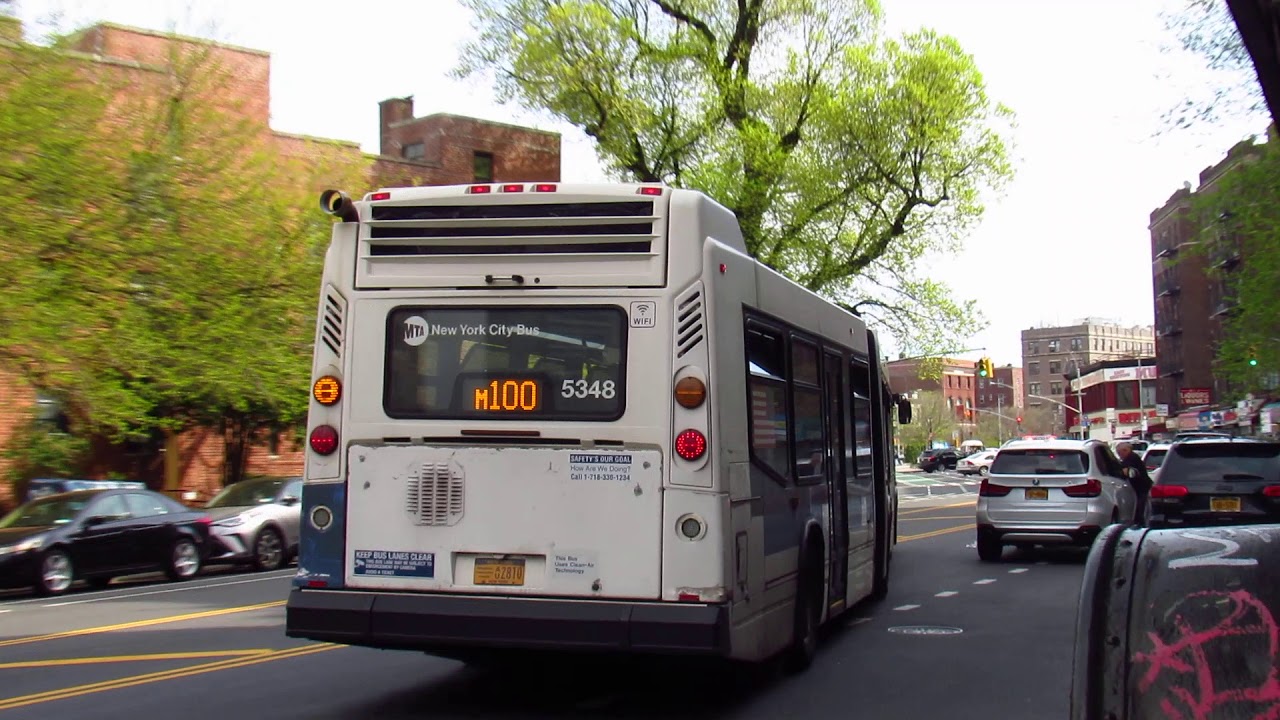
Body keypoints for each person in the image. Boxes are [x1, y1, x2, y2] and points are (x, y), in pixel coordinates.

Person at [1115, 442, 1152, 526]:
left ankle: (1139, 523)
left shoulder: (1131, 459)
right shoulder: (1133, 457)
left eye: (1119, 453)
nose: (1119, 455)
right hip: (1140, 487)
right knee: (1140, 506)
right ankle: (1139, 522)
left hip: (1141, 487)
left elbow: (1124, 472)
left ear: (1125, 450)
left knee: (1140, 507)